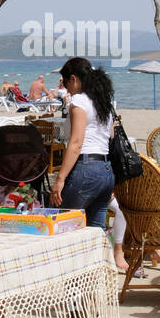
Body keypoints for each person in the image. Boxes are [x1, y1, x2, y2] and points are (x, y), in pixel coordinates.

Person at [51, 57, 117, 259]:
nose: (67, 90)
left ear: (74, 78)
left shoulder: (79, 102)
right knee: (96, 234)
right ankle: (96, 282)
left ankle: (71, 283)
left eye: (66, 83)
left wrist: (60, 179)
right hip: (105, 170)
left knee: (66, 227)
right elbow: (111, 135)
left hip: (85, 168)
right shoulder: (103, 102)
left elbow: (76, 142)